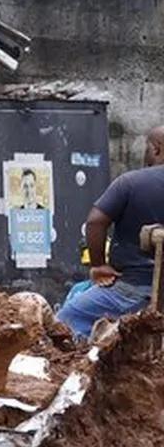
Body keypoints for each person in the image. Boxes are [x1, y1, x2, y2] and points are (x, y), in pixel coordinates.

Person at [57, 127, 164, 337]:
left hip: (134, 289)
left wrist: (99, 266)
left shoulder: (131, 182)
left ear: (157, 149)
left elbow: (95, 222)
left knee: (64, 323)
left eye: (147, 148)